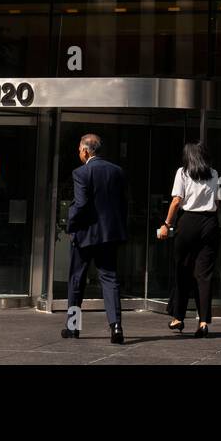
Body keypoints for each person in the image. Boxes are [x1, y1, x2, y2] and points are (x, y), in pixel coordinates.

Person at [62, 134, 128, 344]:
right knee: (109, 279)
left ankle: (73, 328)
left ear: (85, 151)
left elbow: (80, 205)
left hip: (84, 235)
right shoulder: (117, 171)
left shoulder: (81, 172)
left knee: (76, 279)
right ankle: (116, 326)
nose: (79, 154)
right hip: (109, 235)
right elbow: (123, 203)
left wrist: (70, 225)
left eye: (79, 150)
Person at [157, 142, 220, 337]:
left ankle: (178, 318)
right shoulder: (214, 173)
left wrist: (166, 224)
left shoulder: (182, 173)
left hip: (188, 222)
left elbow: (176, 200)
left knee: (182, 269)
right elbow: (217, 201)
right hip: (210, 222)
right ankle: (203, 322)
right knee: (204, 274)